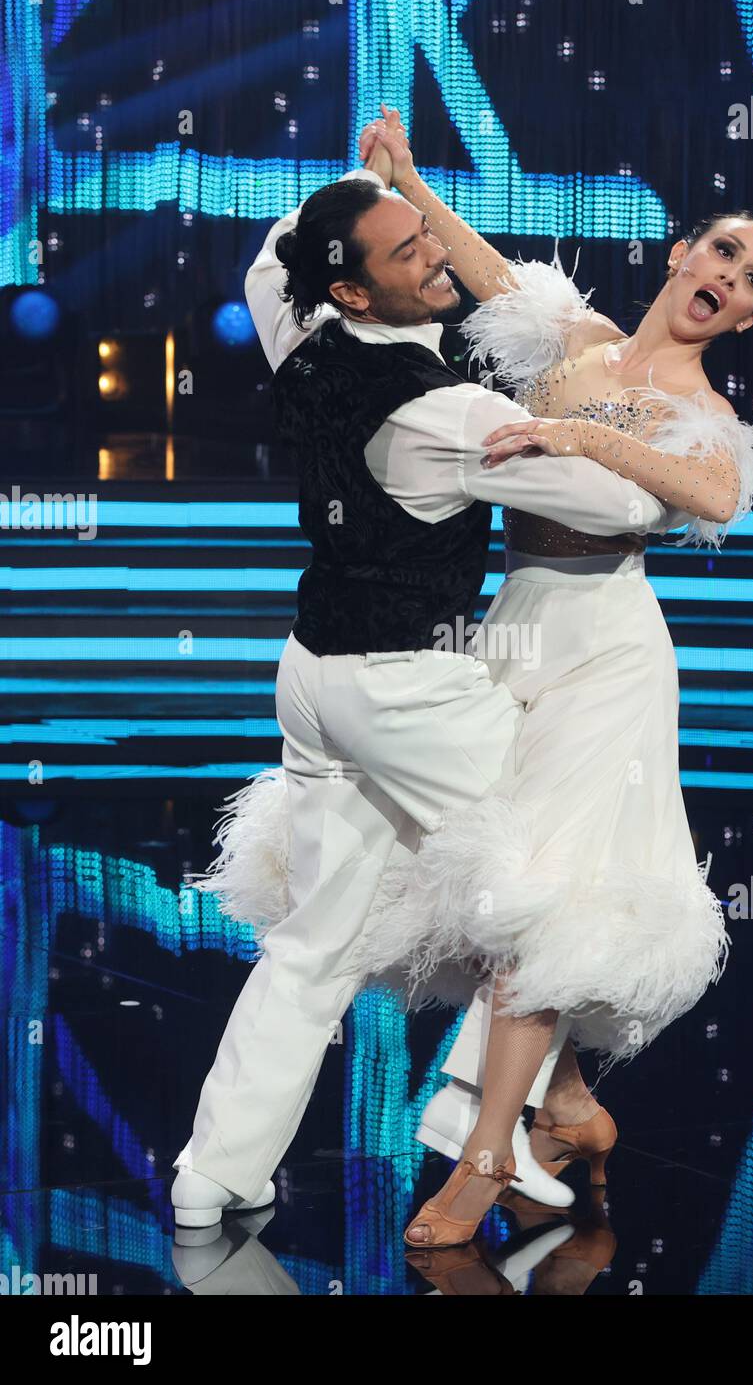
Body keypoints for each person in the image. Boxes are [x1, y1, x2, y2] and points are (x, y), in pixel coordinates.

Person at [169, 135, 691, 1231]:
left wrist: (370, 192)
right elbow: (628, 512)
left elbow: (272, 257)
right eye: (408, 253)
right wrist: (586, 430)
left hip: (310, 678)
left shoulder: (296, 329)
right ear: (355, 285)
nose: (435, 260)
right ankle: (482, 1114)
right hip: (406, 692)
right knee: (557, 862)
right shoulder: (455, 416)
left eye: (424, 236)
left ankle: (212, 1174)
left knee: (315, 941)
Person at [344, 109, 753, 1243]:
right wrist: (408, 180)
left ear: (741, 317)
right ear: (684, 251)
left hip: (608, 652)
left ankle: (486, 1157)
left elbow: (717, 497)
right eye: (724, 253)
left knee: (544, 898)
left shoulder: (706, 414)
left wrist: (582, 439)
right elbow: (493, 278)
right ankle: (577, 1103)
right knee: (512, 879)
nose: (729, 278)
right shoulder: (577, 343)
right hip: (515, 629)